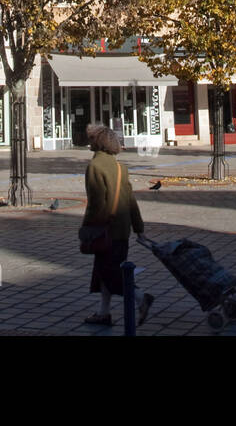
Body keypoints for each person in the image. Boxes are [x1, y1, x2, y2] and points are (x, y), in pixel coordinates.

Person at [81, 125, 152, 327]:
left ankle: (140, 297)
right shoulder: (121, 168)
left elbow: (96, 204)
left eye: (91, 138)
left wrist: (87, 229)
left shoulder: (95, 167)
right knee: (105, 272)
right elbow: (130, 200)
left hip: (105, 229)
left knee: (111, 274)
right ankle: (104, 313)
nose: (89, 142)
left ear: (97, 143)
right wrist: (139, 228)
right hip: (122, 229)